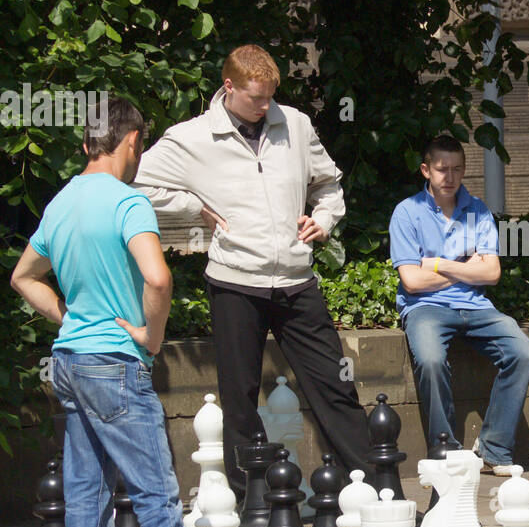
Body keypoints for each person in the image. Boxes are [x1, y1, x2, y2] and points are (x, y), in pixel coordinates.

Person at [10, 96, 269, 527]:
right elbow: (158, 278)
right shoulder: (129, 203)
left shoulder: (60, 203)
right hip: (114, 365)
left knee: (86, 496)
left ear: (87, 143)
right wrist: (151, 336)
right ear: (132, 142)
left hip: (70, 363)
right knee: (155, 492)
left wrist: (70, 318)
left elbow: (23, 277)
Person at [132, 45, 373, 499]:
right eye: (255, 98)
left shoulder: (296, 125)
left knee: (335, 387)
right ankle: (250, 506)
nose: (265, 107)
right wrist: (192, 209)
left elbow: (329, 184)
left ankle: (372, 491)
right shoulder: (192, 138)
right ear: (229, 87)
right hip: (234, 282)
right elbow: (136, 183)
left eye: (270, 97)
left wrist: (322, 220)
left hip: (297, 282)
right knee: (239, 399)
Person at [389, 135, 529, 475]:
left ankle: (494, 449)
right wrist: (467, 268)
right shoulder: (407, 212)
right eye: (442, 169)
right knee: (429, 360)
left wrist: (440, 264)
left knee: (524, 353)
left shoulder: (479, 210)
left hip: (476, 306)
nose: (450, 177)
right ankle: (444, 450)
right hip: (424, 307)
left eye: (457, 169)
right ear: (426, 170)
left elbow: (491, 273)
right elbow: (412, 281)